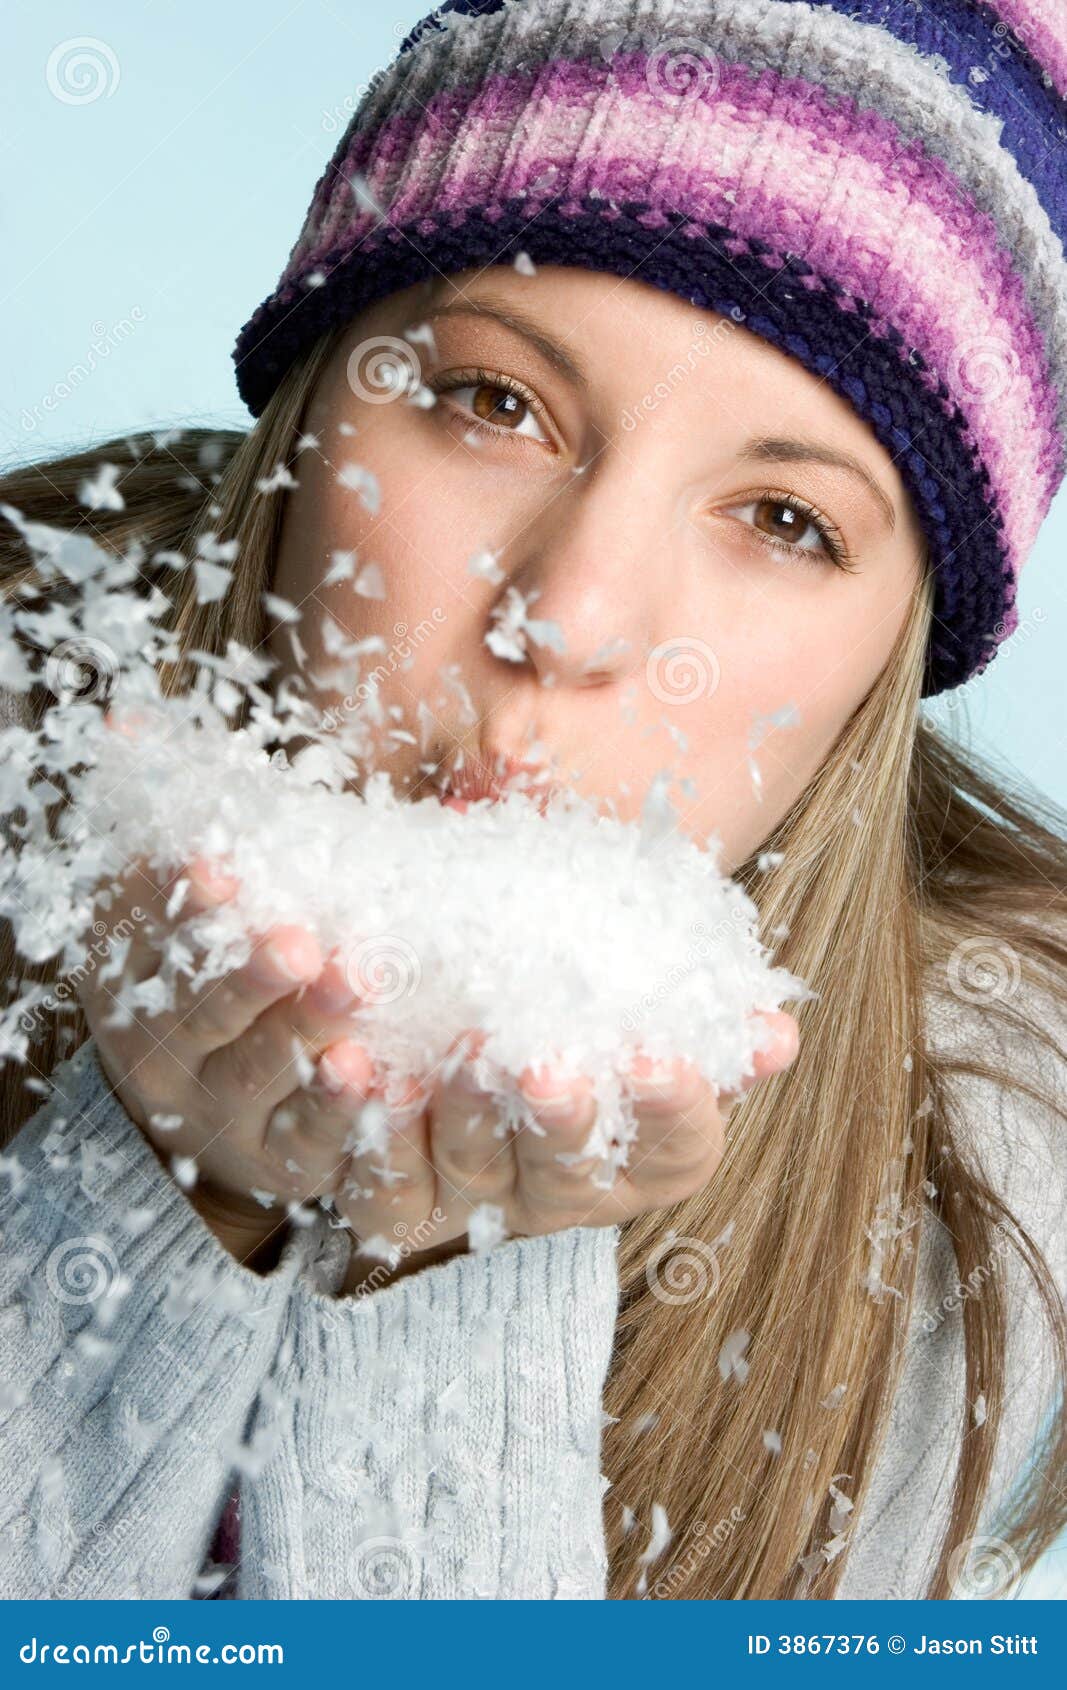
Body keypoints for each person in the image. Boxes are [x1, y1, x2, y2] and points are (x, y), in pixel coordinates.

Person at [1, 0, 1065, 1601]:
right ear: (310, 413)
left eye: (782, 518)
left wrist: (464, 1267)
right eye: (495, 404)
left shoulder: (988, 1175)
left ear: (885, 672)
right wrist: (146, 1186)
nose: (567, 618)